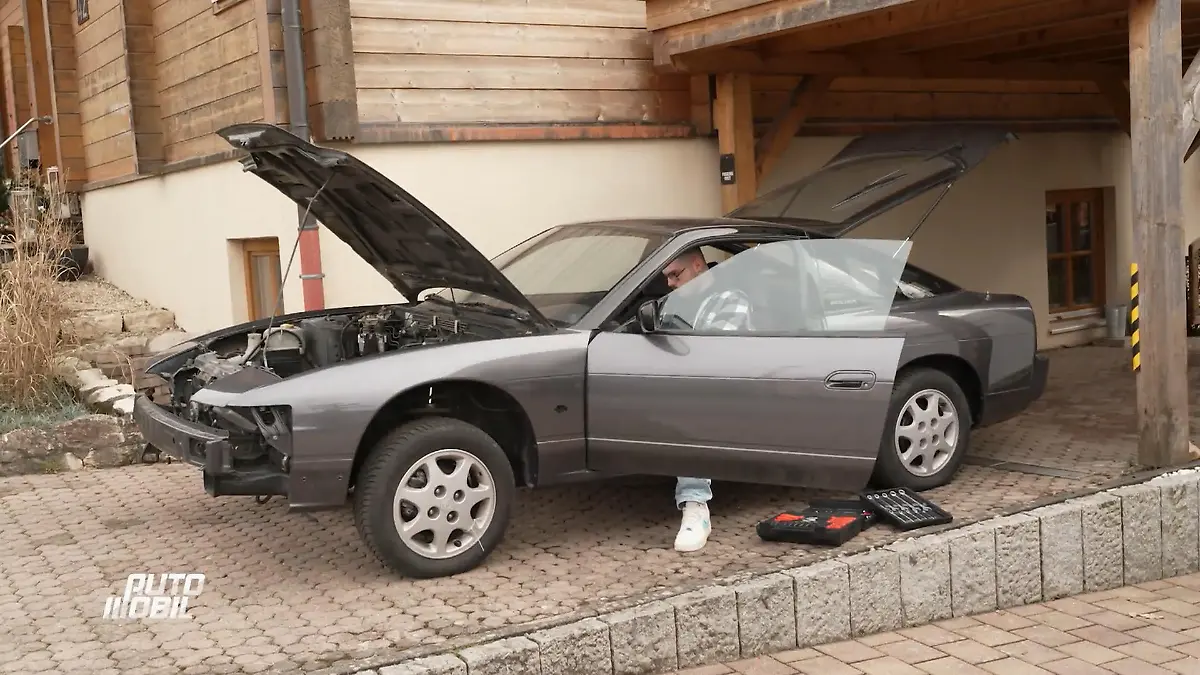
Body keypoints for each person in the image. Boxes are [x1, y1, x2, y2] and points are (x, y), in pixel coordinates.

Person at [657, 248, 755, 552]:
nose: (671, 283)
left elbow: (710, 356)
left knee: (694, 401)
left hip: (733, 394)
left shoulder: (731, 300)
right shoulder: (676, 305)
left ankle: (695, 506)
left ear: (698, 266)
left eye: (676, 274)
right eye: (667, 277)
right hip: (685, 386)